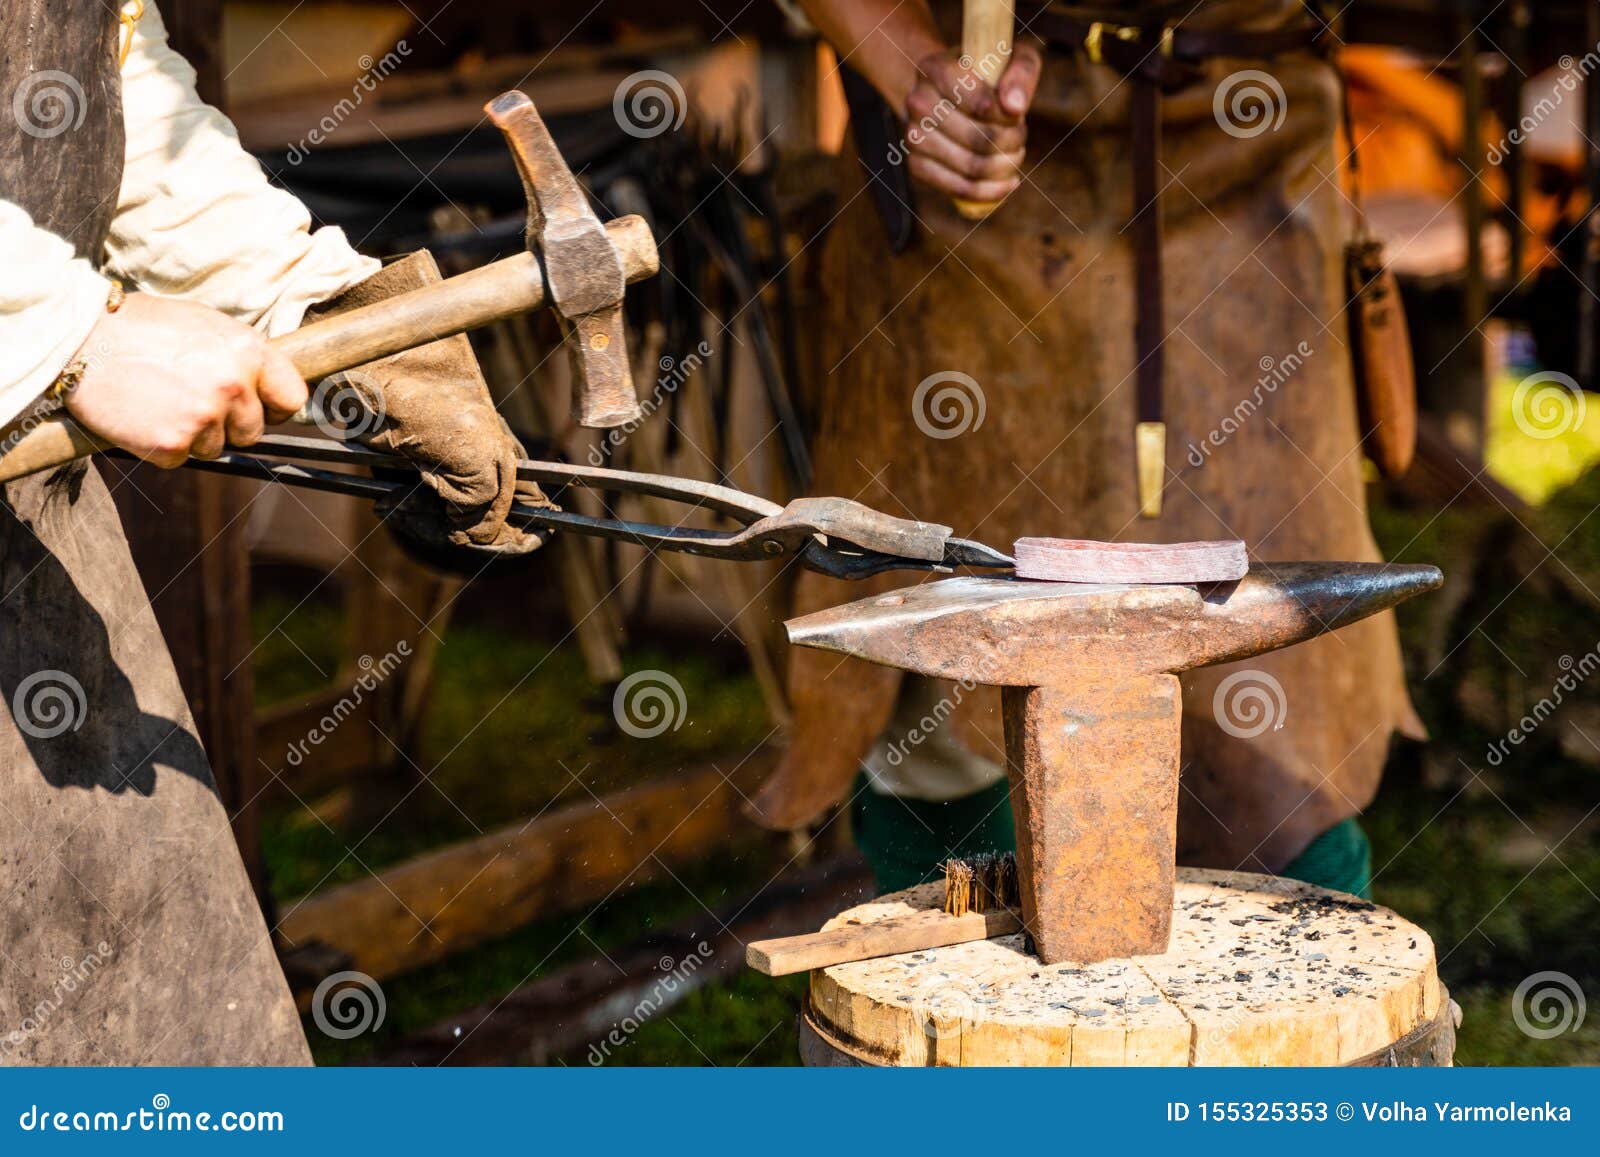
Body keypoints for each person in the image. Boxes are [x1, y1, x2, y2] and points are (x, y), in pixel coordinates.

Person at [750, 0, 1420, 900]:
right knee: (944, 663)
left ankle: (1306, 1010)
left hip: (1249, 129)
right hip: (969, 153)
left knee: (1283, 670)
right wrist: (912, 66)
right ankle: (961, 994)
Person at [0, 1, 547, 1063]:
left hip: (39, 540)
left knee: (175, 1025)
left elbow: (101, 68)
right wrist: (62, 333)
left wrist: (308, 302)